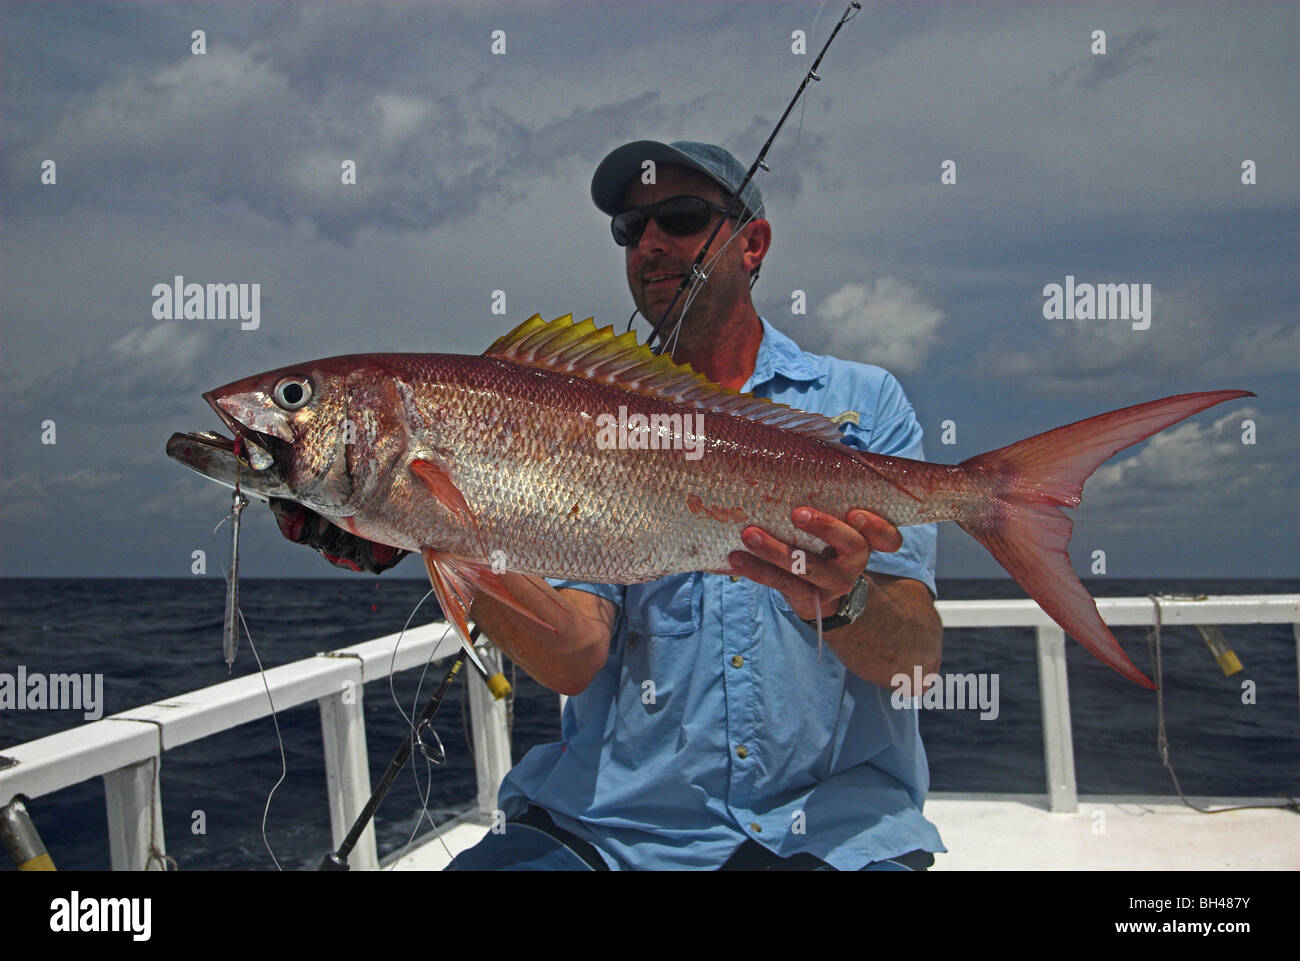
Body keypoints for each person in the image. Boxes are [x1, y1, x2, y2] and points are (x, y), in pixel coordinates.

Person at [275, 140, 945, 871]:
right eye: (631, 229)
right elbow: (574, 654)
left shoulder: (861, 405)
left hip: (829, 830)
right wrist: (441, 532)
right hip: (616, 834)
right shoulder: (581, 418)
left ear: (753, 244)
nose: (650, 244)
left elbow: (914, 657)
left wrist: (843, 598)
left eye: (681, 218)